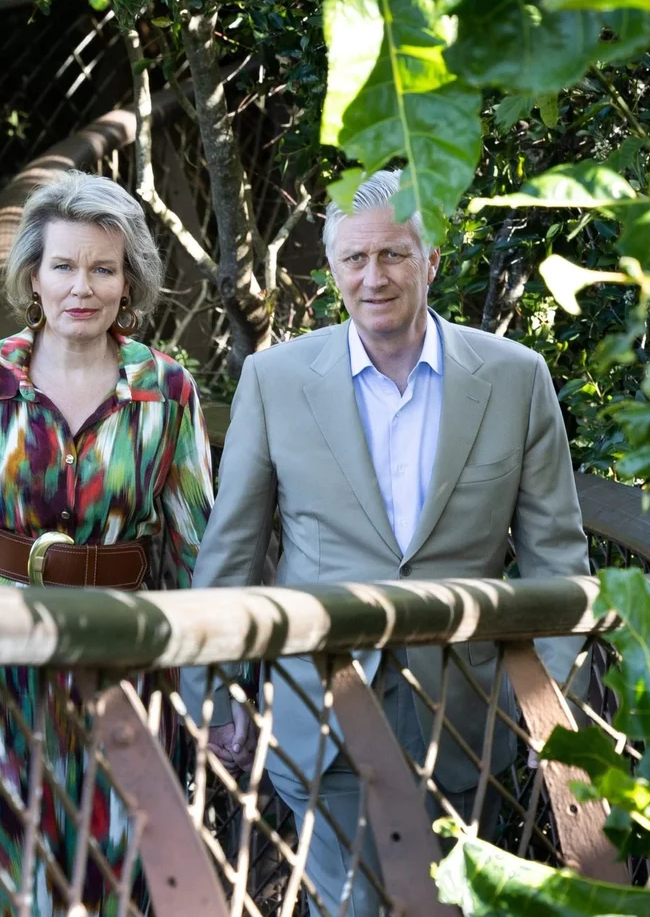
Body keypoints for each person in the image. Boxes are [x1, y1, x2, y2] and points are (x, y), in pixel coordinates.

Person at [186, 168, 589, 916]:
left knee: (457, 905)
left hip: (470, 713)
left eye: (395, 255)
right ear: (333, 267)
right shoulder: (275, 380)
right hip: (324, 704)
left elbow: (557, 554)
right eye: (355, 259)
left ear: (432, 260)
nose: (374, 278)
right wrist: (212, 691)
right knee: (349, 905)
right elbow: (232, 550)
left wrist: (549, 703)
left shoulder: (514, 378)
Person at [0, 170, 214, 915]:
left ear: (128, 282)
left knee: (121, 861)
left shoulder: (167, 390)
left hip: (125, 654)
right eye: (65, 266)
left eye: (103, 269)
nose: (83, 287)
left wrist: (207, 685)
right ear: (33, 278)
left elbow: (195, 543)